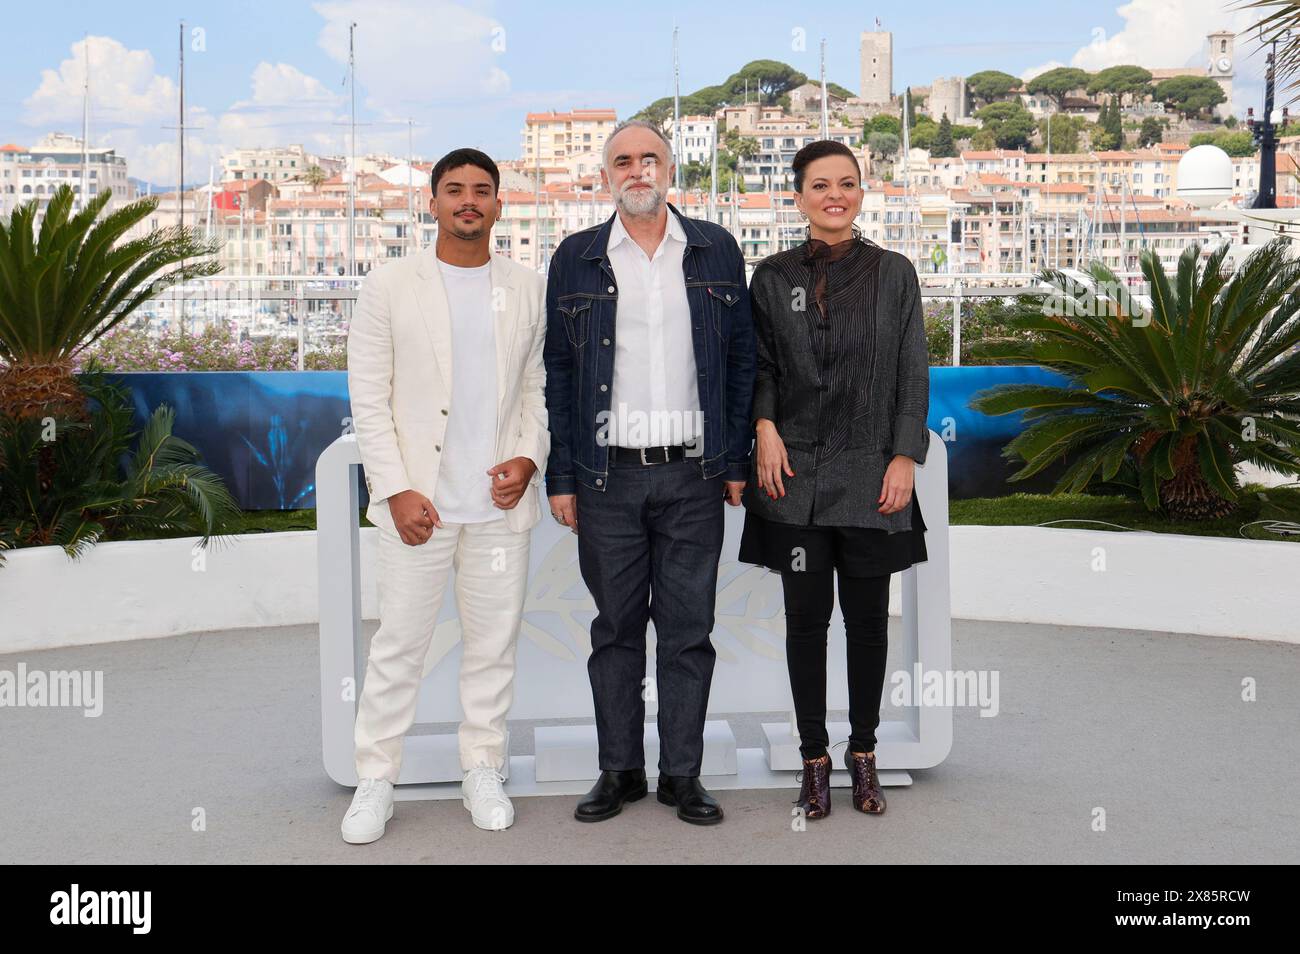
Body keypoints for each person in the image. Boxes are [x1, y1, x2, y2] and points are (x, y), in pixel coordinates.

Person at [543, 119, 756, 826]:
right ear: (606, 176)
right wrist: (562, 476)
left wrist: (733, 462)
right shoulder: (575, 258)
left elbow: (740, 362)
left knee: (689, 629)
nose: (638, 171)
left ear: (670, 168)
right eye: (623, 162)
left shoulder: (716, 248)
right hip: (606, 478)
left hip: (695, 475)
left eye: (650, 159)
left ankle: (683, 776)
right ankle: (619, 770)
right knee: (616, 631)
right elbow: (562, 373)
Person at [341, 148, 548, 843]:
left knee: (493, 648)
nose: (468, 201)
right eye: (454, 190)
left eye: (481, 191)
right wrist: (396, 490)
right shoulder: (390, 285)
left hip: (496, 506)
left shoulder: (526, 287)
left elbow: (537, 391)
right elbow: (368, 399)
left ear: (498, 205)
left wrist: (529, 455)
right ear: (431, 203)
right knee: (399, 646)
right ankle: (376, 778)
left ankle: (482, 767)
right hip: (417, 511)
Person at [739, 139, 930, 819]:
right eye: (820, 185)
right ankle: (814, 760)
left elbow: (912, 370)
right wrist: (761, 426)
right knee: (805, 623)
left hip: (873, 475)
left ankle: (865, 753)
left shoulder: (895, 273)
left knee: (870, 624)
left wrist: (905, 455)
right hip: (792, 475)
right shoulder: (770, 277)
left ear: (860, 192)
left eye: (846, 183)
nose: (834, 195)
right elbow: (757, 366)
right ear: (799, 197)